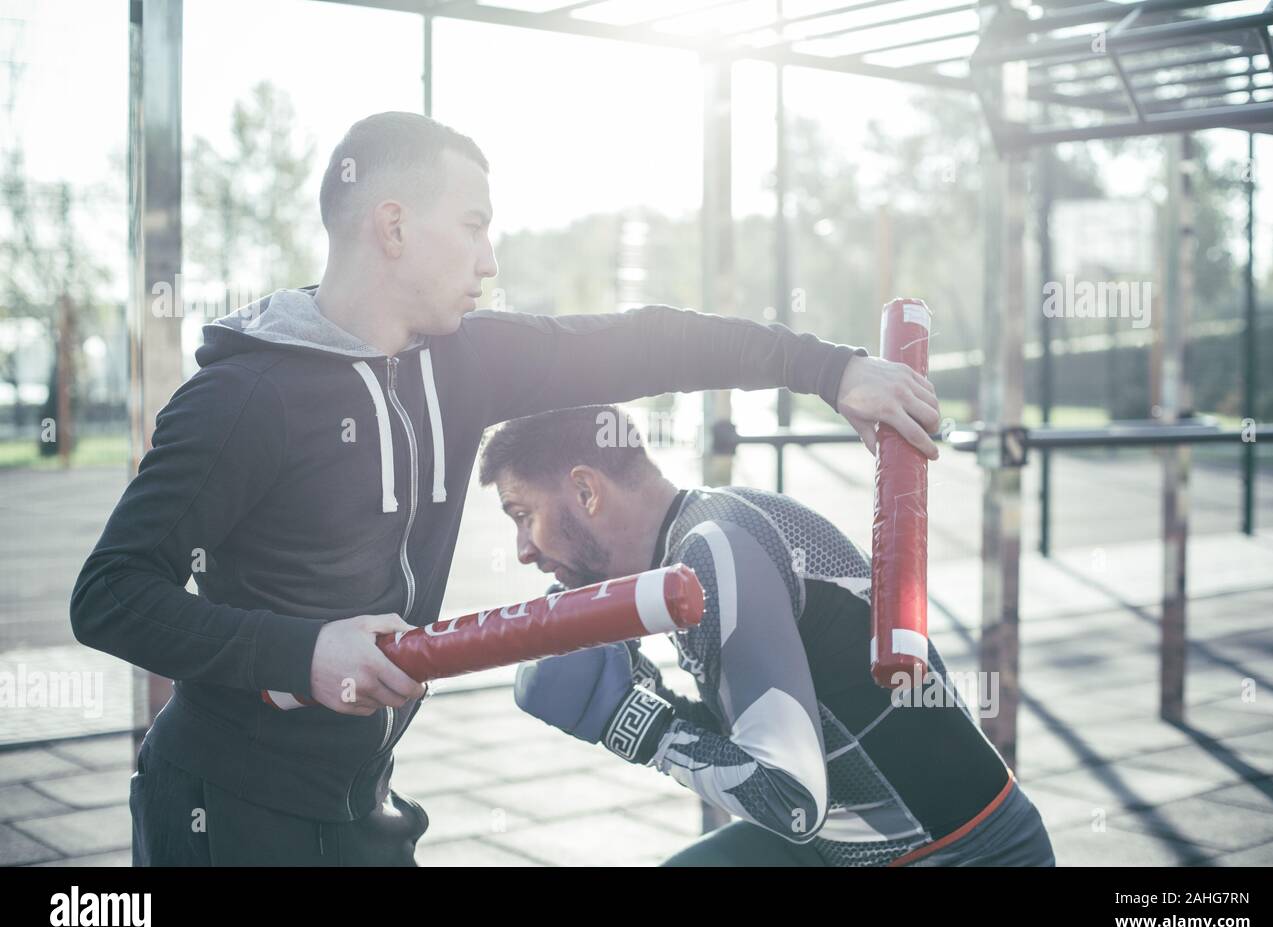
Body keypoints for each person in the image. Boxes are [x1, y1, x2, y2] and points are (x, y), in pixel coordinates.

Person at [69, 112, 940, 865]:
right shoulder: (245, 397)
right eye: (475, 225)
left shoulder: (464, 361)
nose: (490, 258)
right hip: (229, 811)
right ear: (394, 226)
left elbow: (648, 342)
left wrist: (831, 370)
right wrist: (303, 652)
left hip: (363, 800)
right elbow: (108, 596)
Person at [484, 404, 1055, 866]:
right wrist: (651, 699)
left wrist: (630, 725)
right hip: (847, 849)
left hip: (965, 856)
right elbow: (765, 745)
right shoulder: (698, 535)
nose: (524, 551)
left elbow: (789, 801)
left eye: (521, 515)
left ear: (586, 491)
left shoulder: (713, 550)